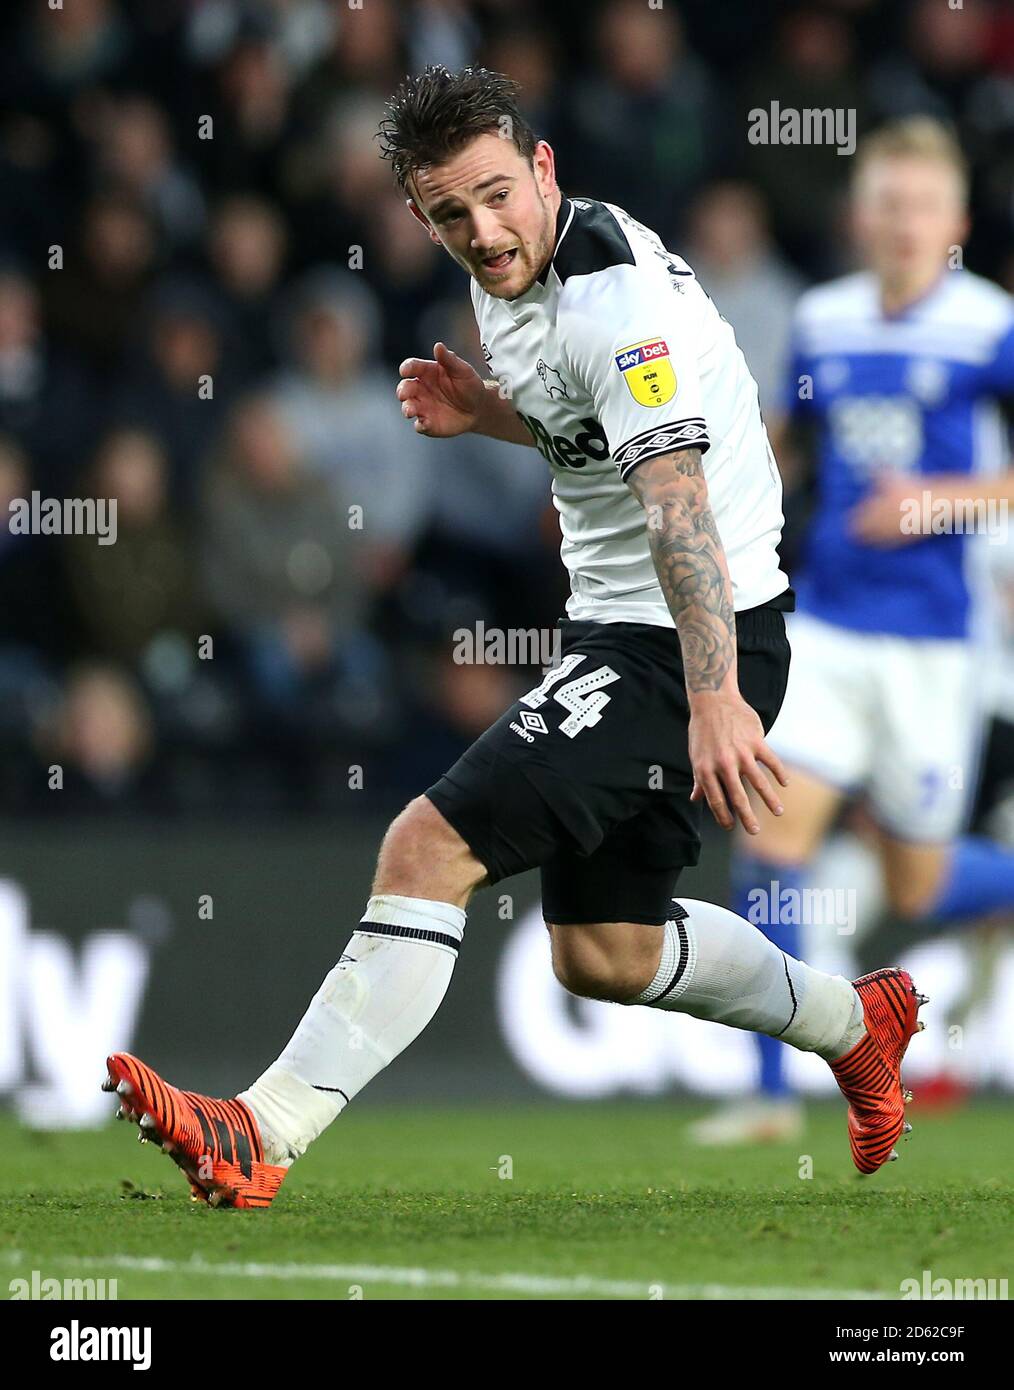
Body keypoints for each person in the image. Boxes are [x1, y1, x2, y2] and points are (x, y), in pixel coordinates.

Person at [103, 67, 925, 1209]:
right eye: (449, 214)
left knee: (425, 847)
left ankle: (263, 1128)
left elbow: (675, 493)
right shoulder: (523, 269)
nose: (481, 233)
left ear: (544, 168)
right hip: (649, 631)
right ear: (419, 215)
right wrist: (493, 416)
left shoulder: (612, 303)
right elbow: (592, 423)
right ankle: (857, 1023)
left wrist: (715, 693)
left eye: (497, 196)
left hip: (684, 639)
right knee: (606, 954)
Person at [694, 117, 1014, 1147]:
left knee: (919, 880)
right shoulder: (822, 320)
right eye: (886, 202)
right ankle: (769, 1094)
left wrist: (933, 503)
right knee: (768, 831)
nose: (903, 222)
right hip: (829, 624)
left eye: (922, 204)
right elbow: (782, 445)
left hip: (935, 644)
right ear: (859, 216)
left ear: (955, 220)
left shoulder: (989, 326)